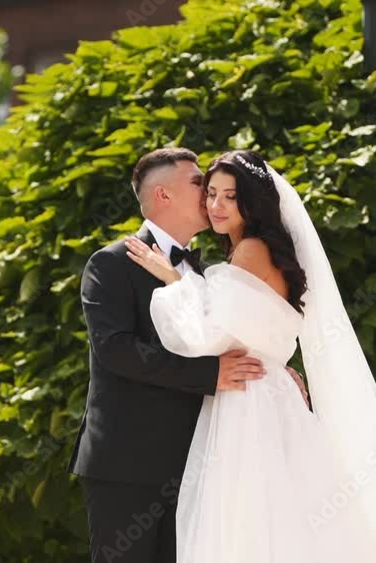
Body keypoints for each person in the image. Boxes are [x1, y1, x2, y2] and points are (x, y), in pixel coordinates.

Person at [123, 149, 376, 562]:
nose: (215, 205)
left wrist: (172, 279)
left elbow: (210, 335)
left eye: (230, 196)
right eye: (212, 194)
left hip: (249, 400)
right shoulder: (253, 252)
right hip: (263, 387)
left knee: (249, 524)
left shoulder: (251, 251)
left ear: (251, 202)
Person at [67, 148, 308, 563]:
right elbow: (117, 351)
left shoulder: (204, 269)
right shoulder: (109, 264)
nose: (209, 195)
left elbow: (224, 334)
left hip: (199, 463)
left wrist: (271, 368)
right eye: (199, 183)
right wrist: (212, 374)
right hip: (129, 465)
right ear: (163, 195)